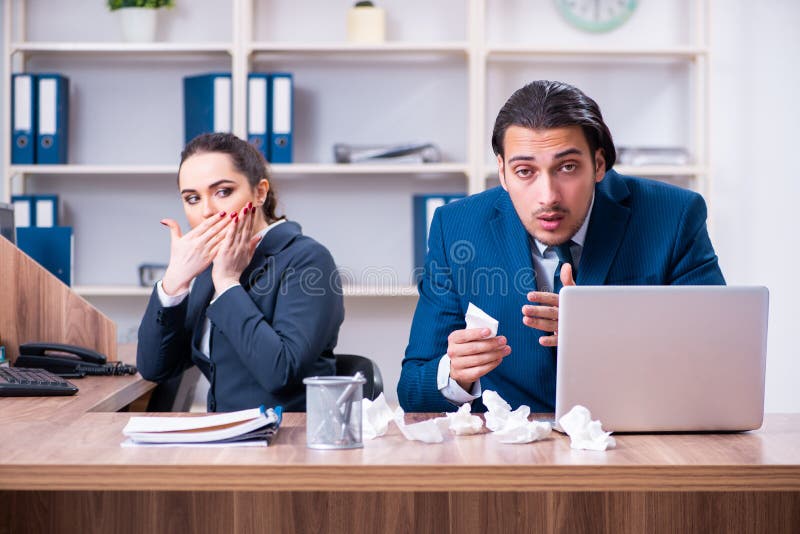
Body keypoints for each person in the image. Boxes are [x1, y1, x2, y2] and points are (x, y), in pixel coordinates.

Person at [398, 80, 725, 413]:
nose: (548, 196)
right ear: (503, 172)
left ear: (598, 164)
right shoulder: (456, 228)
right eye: (525, 171)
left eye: (567, 167)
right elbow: (412, 388)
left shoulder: (673, 216)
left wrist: (604, 333)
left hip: (634, 440)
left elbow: (720, 360)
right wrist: (455, 375)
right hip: (508, 450)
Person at [137, 133, 344, 412]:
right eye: (193, 198)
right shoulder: (207, 265)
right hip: (224, 440)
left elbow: (281, 373)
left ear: (259, 192)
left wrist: (226, 284)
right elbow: (155, 368)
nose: (207, 211)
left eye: (223, 192)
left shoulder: (308, 260)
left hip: (289, 439)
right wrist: (174, 283)